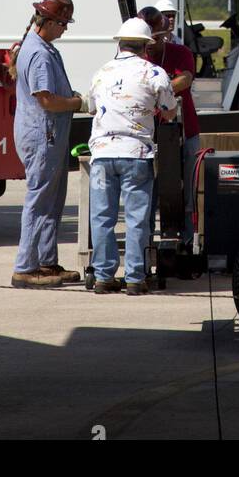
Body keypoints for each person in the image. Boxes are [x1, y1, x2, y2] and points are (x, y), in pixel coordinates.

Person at [87, 17, 178, 295]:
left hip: (102, 155)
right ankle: (135, 278)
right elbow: (169, 111)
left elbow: (92, 107)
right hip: (136, 154)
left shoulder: (101, 72)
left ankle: (103, 276)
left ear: (120, 44)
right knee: (137, 218)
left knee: (102, 217)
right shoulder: (154, 73)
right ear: (145, 47)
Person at [10, 0, 84, 289]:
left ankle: (46, 261)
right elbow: (47, 101)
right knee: (40, 201)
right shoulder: (40, 54)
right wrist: (77, 103)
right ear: (50, 22)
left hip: (46, 135)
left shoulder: (40, 47)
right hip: (43, 136)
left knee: (51, 201)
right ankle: (26, 267)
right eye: (63, 24)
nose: (65, 29)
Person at [138, 5, 201, 244]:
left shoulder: (181, 52)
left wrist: (156, 90)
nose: (151, 43)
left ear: (165, 35)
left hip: (186, 131)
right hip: (147, 133)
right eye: (148, 38)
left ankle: (187, 240)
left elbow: (185, 79)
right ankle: (146, 243)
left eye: (156, 38)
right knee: (147, 193)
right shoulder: (135, 58)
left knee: (188, 190)